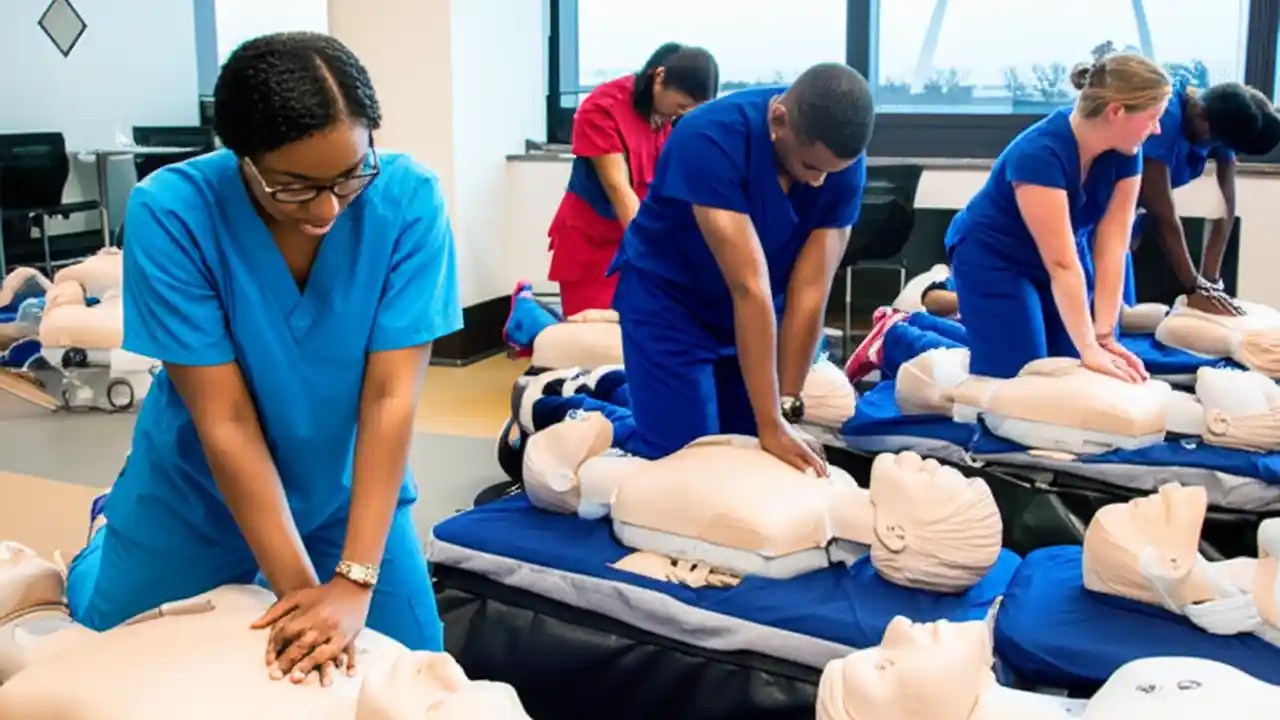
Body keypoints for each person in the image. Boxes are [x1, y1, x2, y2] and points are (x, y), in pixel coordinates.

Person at [65, 32, 462, 686]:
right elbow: (226, 422)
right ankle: (108, 536)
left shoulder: (408, 201)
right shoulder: (173, 213)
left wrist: (353, 582)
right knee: (106, 654)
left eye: (350, 176)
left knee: (418, 668)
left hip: (347, 492)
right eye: (295, 187)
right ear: (241, 158)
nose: (329, 209)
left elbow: (391, 396)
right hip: (197, 492)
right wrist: (306, 598)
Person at [606, 62, 875, 473]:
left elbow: (811, 290)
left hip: (757, 307)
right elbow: (748, 286)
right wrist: (770, 422)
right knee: (688, 459)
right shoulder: (707, 137)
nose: (821, 183)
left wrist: (783, 409)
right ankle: (575, 406)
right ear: (779, 119)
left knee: (751, 453)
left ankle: (643, 395)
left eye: (831, 172)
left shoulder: (840, 161)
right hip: (672, 302)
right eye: (810, 168)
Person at [944, 52, 1170, 383]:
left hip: (1063, 256)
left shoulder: (1126, 153)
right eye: (1152, 117)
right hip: (995, 256)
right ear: (1116, 112)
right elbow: (1061, 265)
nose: (1158, 129)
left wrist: (1103, 336)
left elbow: (1112, 245)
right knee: (1022, 376)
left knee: (1077, 369)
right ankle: (901, 333)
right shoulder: (1038, 155)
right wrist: (1089, 346)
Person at [546, 42, 720, 318]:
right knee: (595, 338)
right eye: (681, 105)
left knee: (644, 335)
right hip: (595, 244)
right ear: (659, 76)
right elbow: (619, 190)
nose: (680, 115)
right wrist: (659, 259)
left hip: (642, 236)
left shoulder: (667, 117)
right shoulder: (603, 108)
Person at [1126, 79, 1280, 314]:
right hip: (1093, 204)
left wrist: (1212, 281)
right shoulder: (1165, 121)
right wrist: (1195, 287)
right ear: (1201, 116)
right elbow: (1164, 217)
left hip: (1129, 209)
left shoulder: (1224, 125)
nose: (1215, 146)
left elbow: (1225, 206)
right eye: (1214, 140)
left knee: (1117, 306)